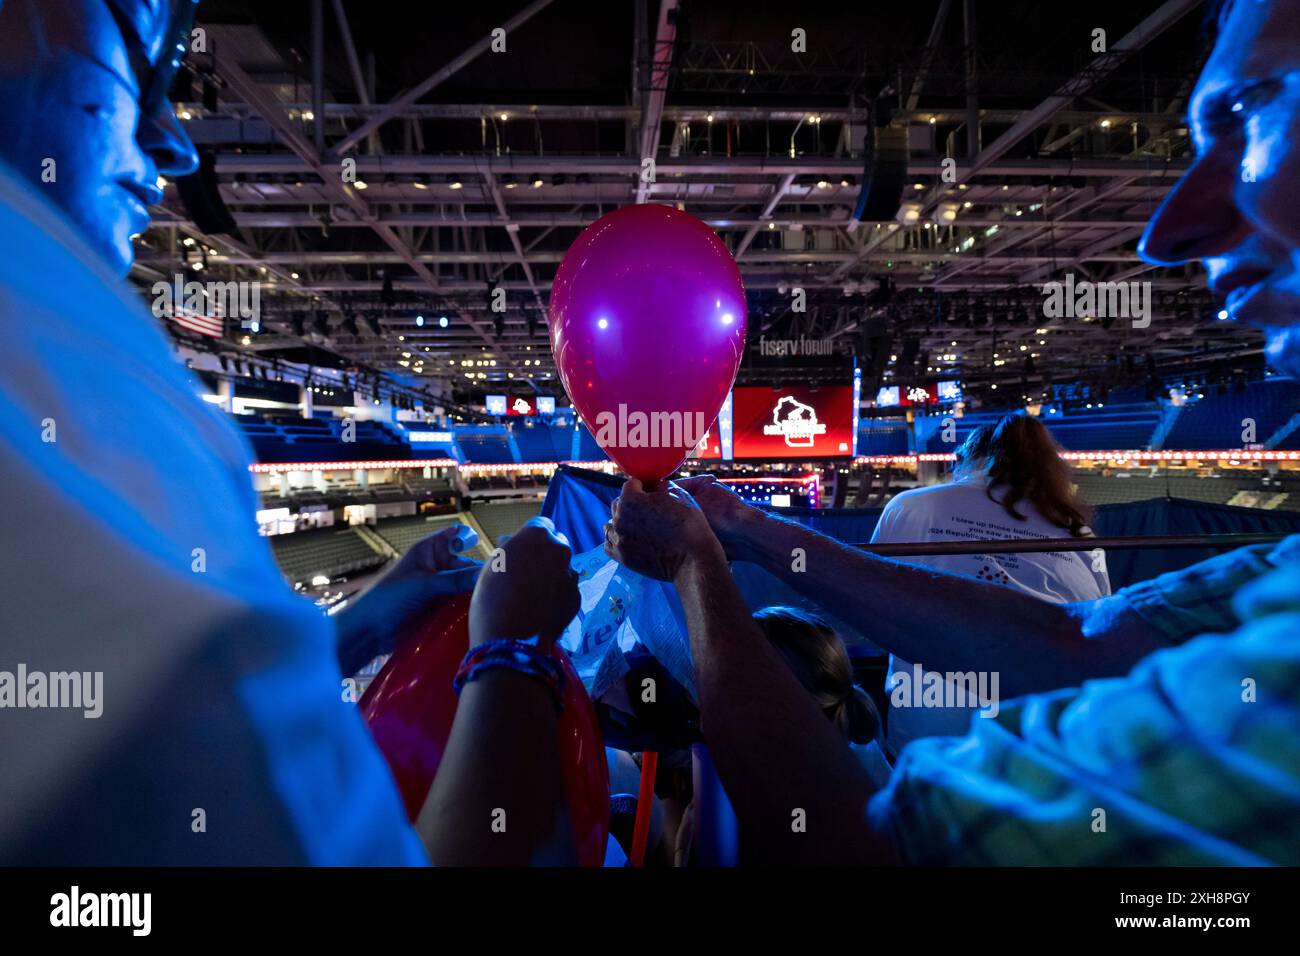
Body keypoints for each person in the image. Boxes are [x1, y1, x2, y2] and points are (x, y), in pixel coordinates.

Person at [606, 0, 1300, 865]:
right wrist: (743, 530)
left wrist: (697, 571)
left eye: (1250, 109)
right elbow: (1073, 641)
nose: (1168, 232)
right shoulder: (1271, 573)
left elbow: (863, 847)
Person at [0, 0, 581, 866]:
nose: (173, 144)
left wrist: (362, 622)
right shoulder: (56, 348)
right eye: (139, 51)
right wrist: (513, 650)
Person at [871, 414, 1110, 753]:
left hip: (931, 727)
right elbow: (1098, 616)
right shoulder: (1076, 530)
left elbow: (874, 600)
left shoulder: (910, 506)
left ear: (970, 457)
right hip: (1044, 728)